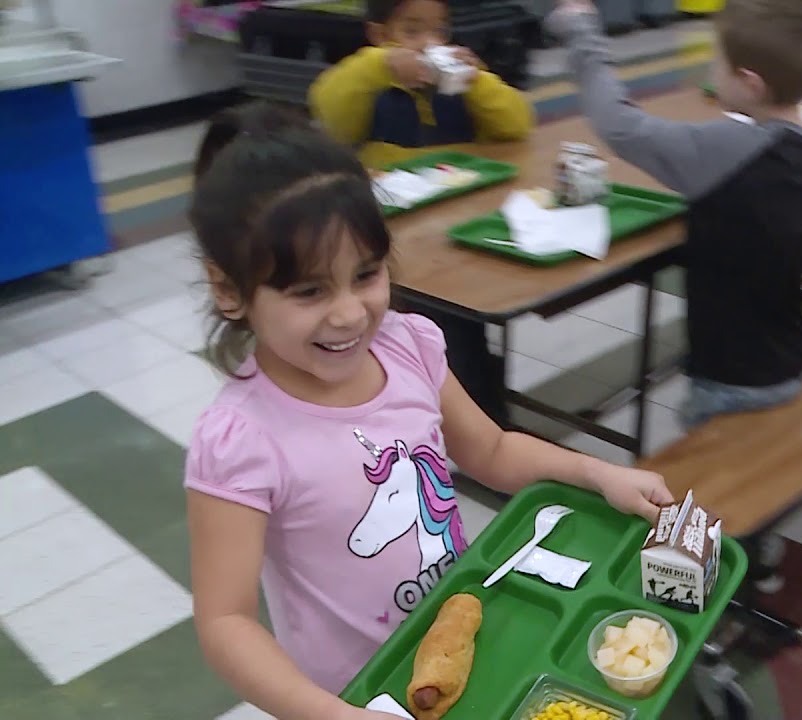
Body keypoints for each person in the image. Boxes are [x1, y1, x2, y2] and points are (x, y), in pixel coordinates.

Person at [184, 114, 673, 719]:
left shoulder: (406, 346)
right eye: (309, 292)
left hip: (458, 629)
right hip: (355, 693)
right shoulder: (241, 439)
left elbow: (490, 450)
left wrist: (598, 473)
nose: (348, 314)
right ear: (229, 291)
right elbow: (226, 621)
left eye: (365, 275)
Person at [545, 0, 802, 430]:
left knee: (719, 487)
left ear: (750, 83)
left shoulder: (724, 149)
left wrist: (581, 30)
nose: (711, 71)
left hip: (727, 378)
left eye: (717, 63)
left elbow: (618, 124)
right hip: (791, 359)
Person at [308, 0, 533, 168]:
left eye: (439, 31)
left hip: (463, 176)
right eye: (411, 32)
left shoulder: (465, 81)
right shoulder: (367, 74)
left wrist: (477, 80)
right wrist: (380, 63)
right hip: (393, 186)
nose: (429, 43)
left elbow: (517, 126)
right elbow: (333, 120)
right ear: (380, 35)